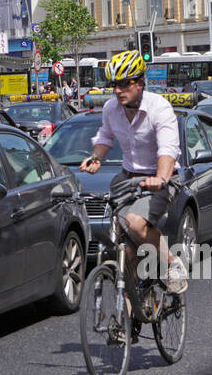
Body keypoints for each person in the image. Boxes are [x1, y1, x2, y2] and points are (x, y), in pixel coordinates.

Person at [79, 50, 188, 294]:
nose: (118, 91)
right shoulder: (110, 108)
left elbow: (168, 149)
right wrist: (96, 157)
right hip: (127, 178)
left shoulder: (159, 108)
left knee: (135, 223)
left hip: (160, 179)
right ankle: (124, 325)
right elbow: (105, 137)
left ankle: (172, 264)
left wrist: (160, 178)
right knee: (124, 252)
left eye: (124, 84)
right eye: (114, 85)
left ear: (139, 83)